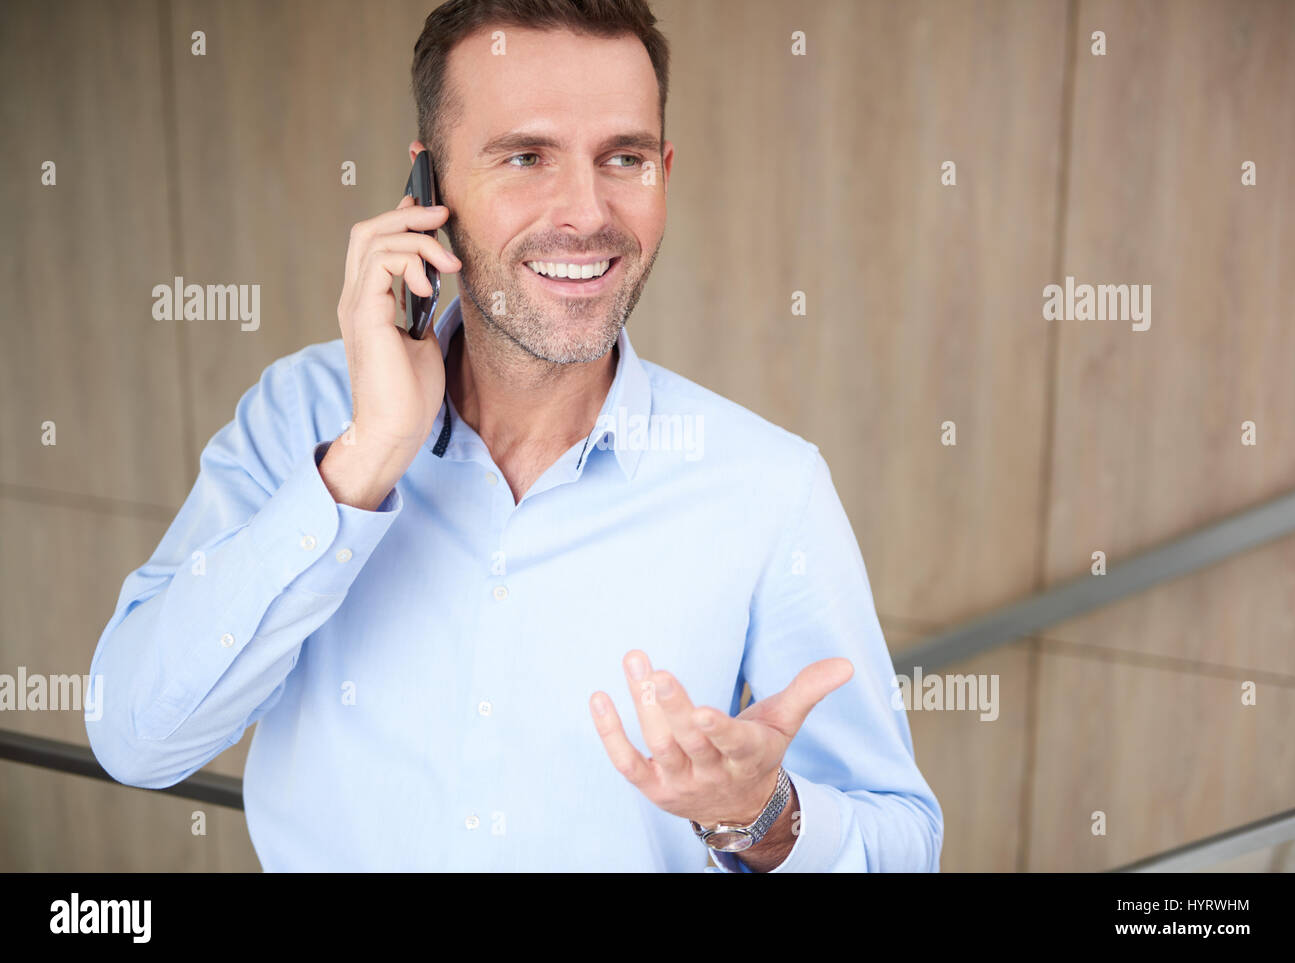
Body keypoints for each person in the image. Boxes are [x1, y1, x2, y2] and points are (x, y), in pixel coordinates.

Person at [86, 0, 942, 872]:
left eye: (624, 158)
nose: (585, 212)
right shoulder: (302, 416)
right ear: (428, 189)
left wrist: (759, 816)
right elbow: (136, 739)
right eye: (526, 157)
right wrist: (364, 462)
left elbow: (904, 844)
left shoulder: (770, 488)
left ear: (665, 171)